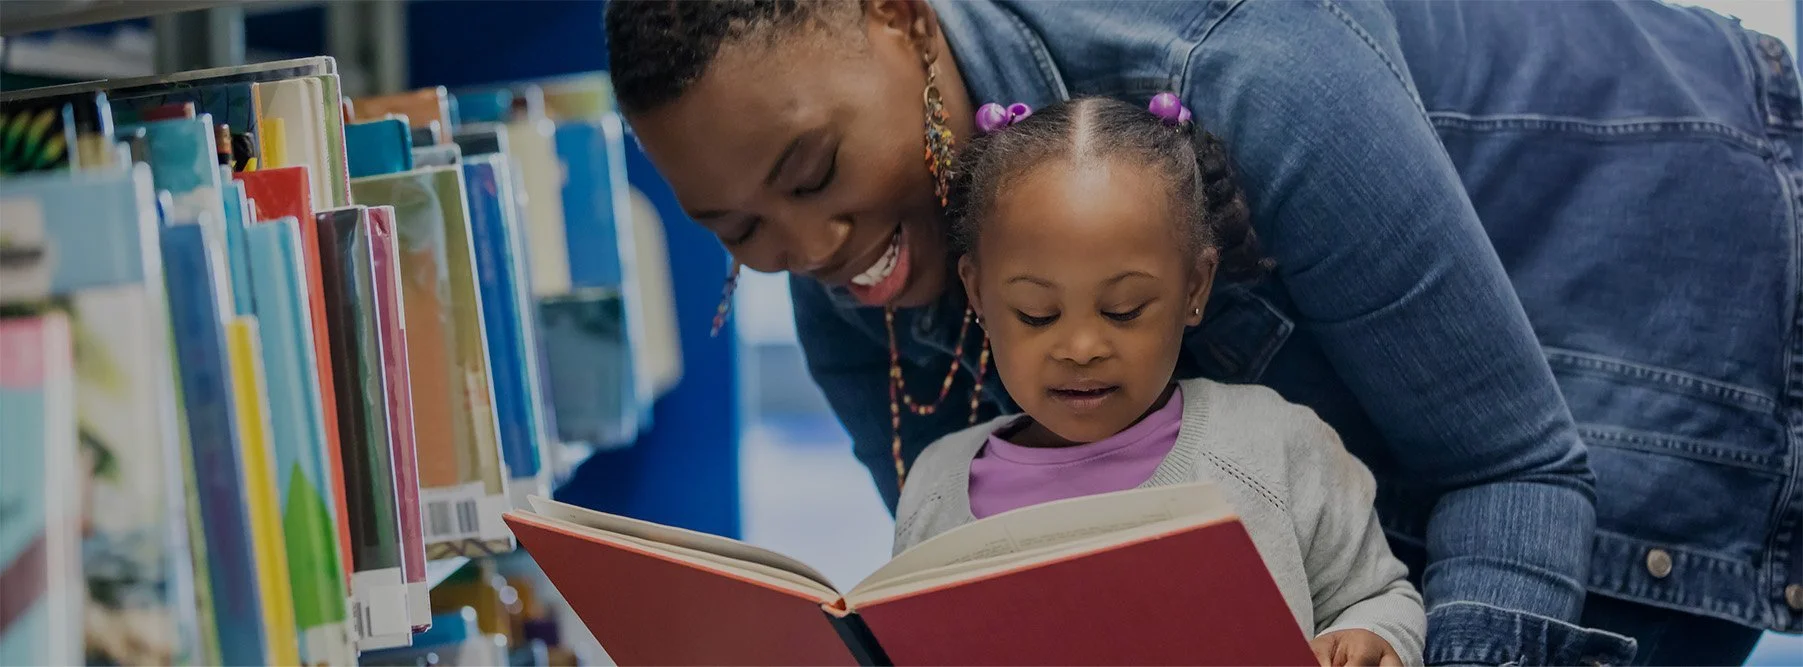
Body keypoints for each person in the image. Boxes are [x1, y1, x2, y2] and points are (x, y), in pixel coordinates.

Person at [604, 1, 1801, 664]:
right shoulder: (847, 284)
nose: (812, 251)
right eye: (736, 229)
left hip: (1674, 302)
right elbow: (989, 598)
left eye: (814, 170)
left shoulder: (1242, 70)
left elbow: (1508, 466)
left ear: (894, 15)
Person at [892, 94, 1427, 666]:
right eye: (1035, 313)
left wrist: (1376, 638)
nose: (1081, 348)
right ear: (977, 293)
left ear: (1195, 287)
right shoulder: (935, 487)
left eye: (1123, 309)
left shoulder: (1273, 447)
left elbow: (1377, 596)